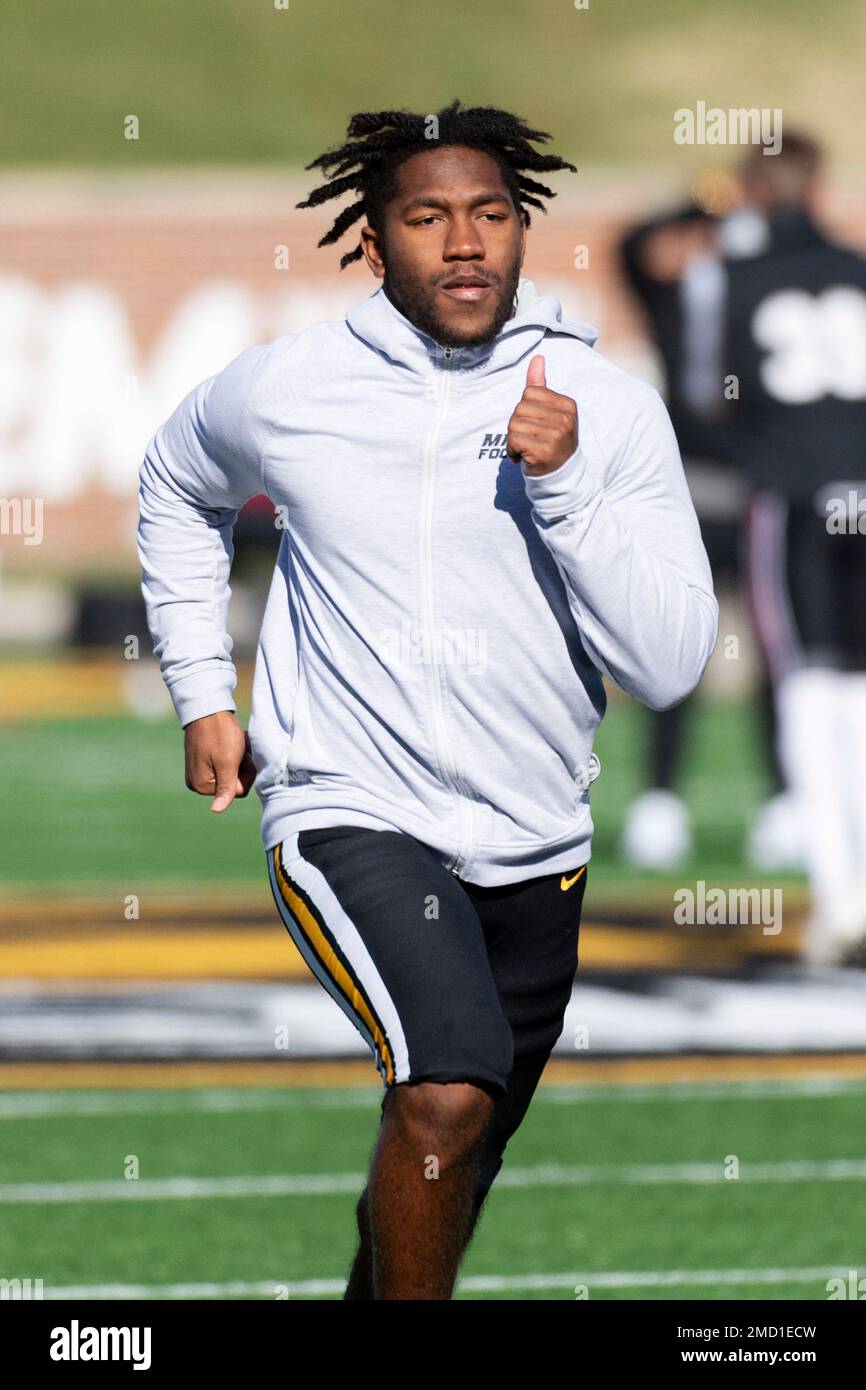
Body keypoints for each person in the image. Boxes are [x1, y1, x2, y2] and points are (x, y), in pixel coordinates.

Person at [137, 99, 717, 1300]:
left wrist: (561, 489)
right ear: (372, 235)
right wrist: (203, 690)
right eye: (428, 217)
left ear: (522, 230)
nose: (465, 243)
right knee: (445, 1093)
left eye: (491, 215)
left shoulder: (602, 403)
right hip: (345, 805)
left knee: (449, 1154)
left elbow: (671, 663)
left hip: (536, 840)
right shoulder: (290, 387)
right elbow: (173, 482)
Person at [720, 134, 866, 965]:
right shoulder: (858, 267)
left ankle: (839, 891)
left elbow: (712, 392)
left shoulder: (735, 277)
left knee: (806, 684)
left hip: (793, 495)